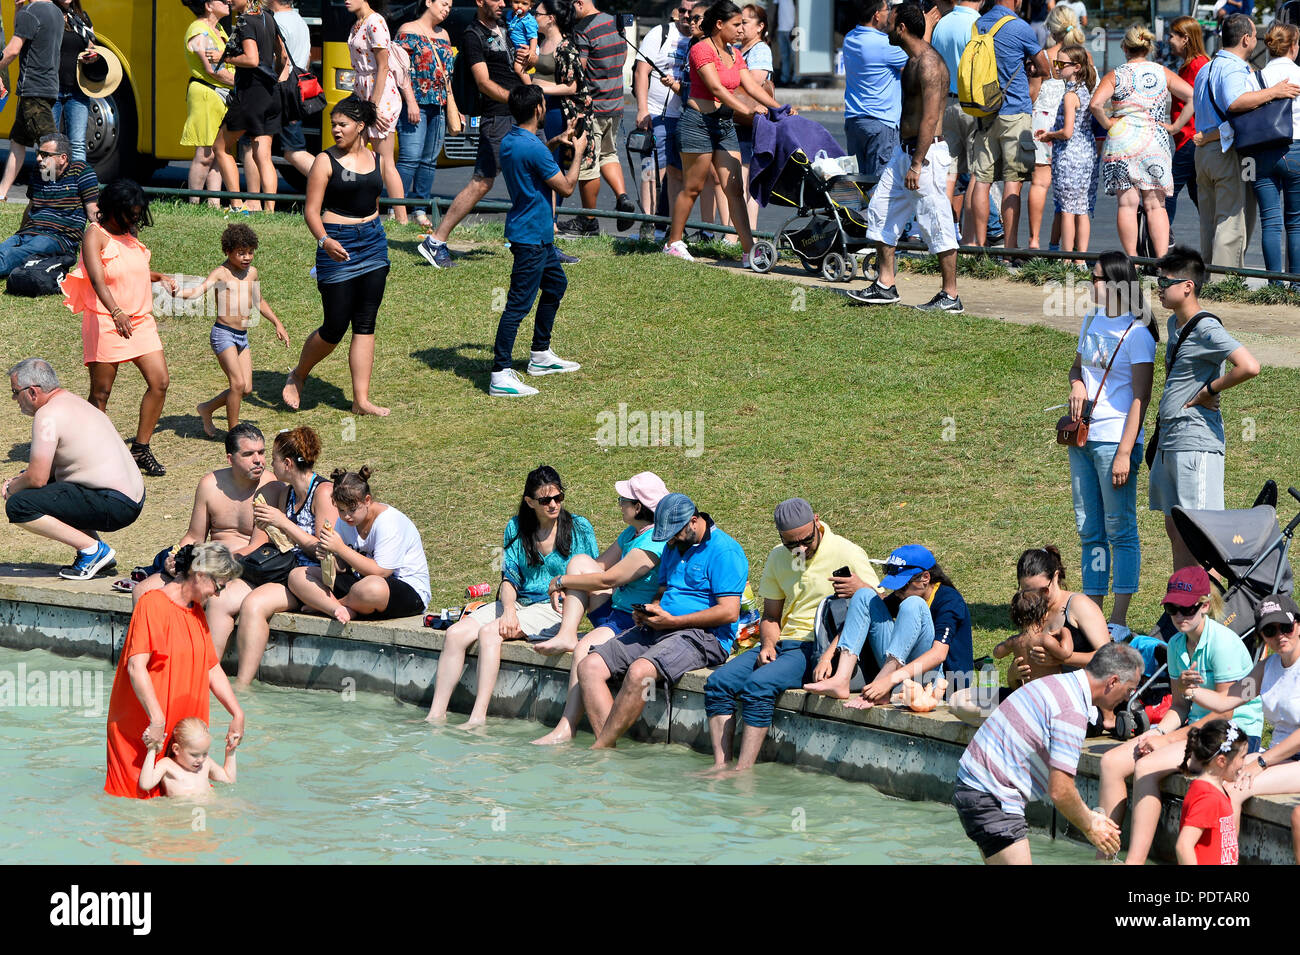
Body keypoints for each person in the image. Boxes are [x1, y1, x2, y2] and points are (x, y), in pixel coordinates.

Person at [1097, 566, 1263, 866]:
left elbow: (1224, 713)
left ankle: (1133, 862)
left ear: (1204, 605)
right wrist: (1157, 733)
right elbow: (1180, 706)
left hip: (1233, 737)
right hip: (1197, 731)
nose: (1179, 615)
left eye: (1186, 608)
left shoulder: (1222, 644)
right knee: (1110, 763)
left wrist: (1169, 739)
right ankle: (1103, 857)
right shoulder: (1176, 644)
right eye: (1172, 608)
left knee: (1146, 767)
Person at [702, 497, 878, 773]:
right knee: (718, 683)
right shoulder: (777, 556)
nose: (800, 549)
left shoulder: (847, 552)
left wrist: (861, 586)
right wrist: (767, 644)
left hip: (815, 648)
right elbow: (771, 614)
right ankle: (720, 765)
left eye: (806, 540)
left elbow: (879, 607)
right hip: (782, 643)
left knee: (758, 686)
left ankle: (743, 771)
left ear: (817, 521)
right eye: (791, 544)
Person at [427, 465, 597, 726]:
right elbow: (510, 579)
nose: (553, 504)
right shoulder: (516, 527)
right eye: (545, 500)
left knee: (489, 633)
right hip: (518, 601)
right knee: (455, 634)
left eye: (558, 497)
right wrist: (508, 610)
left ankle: (478, 716)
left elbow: (591, 574)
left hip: (553, 607)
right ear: (530, 502)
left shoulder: (579, 527)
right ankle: (435, 715)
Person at [579, 492, 747, 749]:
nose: (670, 540)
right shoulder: (673, 545)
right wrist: (649, 611)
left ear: (693, 521)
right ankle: (607, 752)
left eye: (675, 533)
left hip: (704, 636)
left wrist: (674, 622)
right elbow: (662, 592)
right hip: (662, 626)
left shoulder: (725, 552)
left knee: (639, 672)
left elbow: (729, 612)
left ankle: (599, 750)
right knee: (589, 666)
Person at [952, 640, 1142, 864]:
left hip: (975, 786)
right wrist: (1091, 826)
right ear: (1112, 682)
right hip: (991, 798)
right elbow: (1060, 791)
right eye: (1129, 690)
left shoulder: (1059, 684)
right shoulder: (1071, 710)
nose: (1127, 699)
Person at [531, 471, 669, 745]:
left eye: (623, 500)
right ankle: (568, 633)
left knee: (585, 650)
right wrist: (570, 582)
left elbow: (610, 579)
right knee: (580, 562)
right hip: (615, 610)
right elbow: (599, 565)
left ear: (638, 507)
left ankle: (567, 727)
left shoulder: (653, 542)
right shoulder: (632, 532)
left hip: (632, 622)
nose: (619, 504)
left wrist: (560, 581)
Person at [104, 542, 246, 799]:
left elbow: (211, 666)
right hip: (145, 728)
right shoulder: (152, 605)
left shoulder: (196, 611)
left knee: (185, 807)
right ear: (201, 574)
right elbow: (136, 667)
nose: (218, 594)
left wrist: (236, 712)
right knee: (136, 809)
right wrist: (157, 720)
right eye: (219, 585)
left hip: (182, 730)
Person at [847, 3, 961, 313]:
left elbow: (929, 118)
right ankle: (886, 285)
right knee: (881, 209)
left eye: (889, 21)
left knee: (936, 224)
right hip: (905, 153)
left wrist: (916, 162)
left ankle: (950, 296)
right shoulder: (912, 60)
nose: (883, 24)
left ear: (901, 29)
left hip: (925, 156)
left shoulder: (929, 64)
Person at [1150, 246, 1259, 570]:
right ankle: (1182, 605)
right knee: (1176, 529)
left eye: (1165, 282)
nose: (1159, 288)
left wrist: (1210, 389)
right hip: (1170, 438)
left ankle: (1201, 614)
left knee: (1200, 532)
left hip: (1195, 441)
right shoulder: (1174, 324)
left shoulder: (1206, 328)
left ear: (1188, 286)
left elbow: (1249, 366)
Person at [284, 96, 393, 417]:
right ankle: (298, 374)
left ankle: (361, 399)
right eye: (333, 124)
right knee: (334, 325)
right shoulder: (324, 161)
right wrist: (324, 240)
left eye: (342, 124)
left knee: (365, 322)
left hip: (373, 244)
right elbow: (311, 211)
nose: (335, 130)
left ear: (360, 126)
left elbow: (373, 201)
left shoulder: (375, 159)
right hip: (337, 244)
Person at [1065, 251, 1156, 634]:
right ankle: (1094, 610)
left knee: (1120, 528)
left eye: (1098, 277)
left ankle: (1118, 619)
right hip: (1083, 438)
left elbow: (1141, 397)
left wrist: (1124, 452)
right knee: (1090, 528)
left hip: (1114, 441)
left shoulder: (1137, 333)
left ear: (1119, 282)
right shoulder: (1091, 319)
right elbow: (1077, 366)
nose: (1092, 283)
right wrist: (1077, 383)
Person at [60, 179, 177, 477]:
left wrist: (158, 275)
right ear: (113, 210)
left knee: (159, 382)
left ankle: (140, 448)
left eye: (138, 213)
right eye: (131, 213)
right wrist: (116, 312)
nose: (135, 218)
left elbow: (129, 268)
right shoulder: (94, 236)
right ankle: (89, 452)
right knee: (101, 393)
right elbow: (99, 278)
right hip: (105, 319)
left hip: (140, 320)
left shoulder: (130, 234)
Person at [661, 0, 788, 265]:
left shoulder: (735, 53)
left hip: (724, 126)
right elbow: (717, 89)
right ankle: (673, 242)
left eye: (743, 23)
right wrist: (747, 111)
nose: (741, 29)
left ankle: (748, 250)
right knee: (693, 187)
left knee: (734, 188)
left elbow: (752, 88)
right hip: (697, 124)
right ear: (719, 25)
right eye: (736, 24)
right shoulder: (700, 50)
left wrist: (781, 109)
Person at [4, 358, 144, 580]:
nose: (13, 398)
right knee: (39, 488)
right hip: (128, 498)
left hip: (113, 502)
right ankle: (93, 550)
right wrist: (22, 479)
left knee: (19, 505)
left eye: (14, 391)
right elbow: (51, 471)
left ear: (32, 392)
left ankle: (93, 550)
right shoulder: (73, 402)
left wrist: (12, 488)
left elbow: (38, 478)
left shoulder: (47, 415)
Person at [487, 85, 587, 397]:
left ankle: (540, 356)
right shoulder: (534, 149)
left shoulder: (512, 140)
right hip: (531, 238)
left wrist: (557, 141)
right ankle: (500, 374)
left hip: (534, 235)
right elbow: (568, 188)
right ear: (539, 110)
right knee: (517, 304)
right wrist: (579, 152)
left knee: (556, 285)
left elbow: (533, 156)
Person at [1185, 593, 1300, 864]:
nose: (1280, 635)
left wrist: (1260, 762)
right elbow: (1228, 700)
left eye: (1286, 627)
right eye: (1270, 630)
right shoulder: (1266, 669)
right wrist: (1190, 690)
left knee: (1234, 788)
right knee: (1212, 776)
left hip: (1287, 758)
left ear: (1298, 624)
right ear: (1262, 636)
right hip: (1280, 756)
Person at [950, 545, 1112, 726]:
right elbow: (1020, 665)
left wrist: (1062, 658)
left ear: (1056, 576)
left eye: (1043, 590)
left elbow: (1109, 659)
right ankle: (1027, 722)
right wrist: (1012, 676)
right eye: (1028, 592)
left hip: (1071, 696)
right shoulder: (1031, 609)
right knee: (959, 701)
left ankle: (1023, 722)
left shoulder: (1078, 605)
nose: (1037, 597)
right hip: (1034, 694)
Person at [417, 0, 523, 269]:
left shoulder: (507, 26)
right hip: (498, 116)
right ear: (479, 1)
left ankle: (539, 245)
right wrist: (517, 100)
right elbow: (483, 83)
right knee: (483, 181)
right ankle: (436, 240)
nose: (503, 3)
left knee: (532, 176)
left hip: (519, 113)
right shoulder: (472, 34)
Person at [803, 544, 972, 705]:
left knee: (913, 604)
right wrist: (827, 656)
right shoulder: (904, 595)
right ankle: (841, 679)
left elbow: (938, 654)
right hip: (901, 677)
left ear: (925, 578)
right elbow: (863, 616)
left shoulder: (949, 600)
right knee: (864, 596)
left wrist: (888, 681)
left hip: (938, 684)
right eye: (895, 587)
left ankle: (884, 685)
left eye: (902, 586)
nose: (897, 592)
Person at [234, 426, 335, 687]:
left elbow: (326, 550)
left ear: (288, 463)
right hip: (288, 574)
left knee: (254, 604)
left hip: (314, 578)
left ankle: (242, 686)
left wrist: (283, 523)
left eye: (275, 458)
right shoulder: (287, 493)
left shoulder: (323, 492)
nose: (270, 463)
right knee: (243, 601)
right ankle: (234, 683)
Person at [1194, 15, 1297, 268]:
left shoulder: (1206, 68)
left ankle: (1208, 276)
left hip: (1206, 152)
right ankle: (1224, 283)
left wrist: (1208, 135)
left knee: (1210, 221)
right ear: (1246, 39)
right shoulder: (1235, 69)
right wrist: (1274, 92)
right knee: (1232, 223)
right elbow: (1235, 104)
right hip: (1227, 152)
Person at [1091, 26, 1193, 260]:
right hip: (1153, 140)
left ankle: (1132, 260)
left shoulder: (1117, 74)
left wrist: (1109, 125)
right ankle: (1162, 262)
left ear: (1125, 48)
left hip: (1123, 141)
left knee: (1127, 205)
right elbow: (1191, 96)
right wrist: (1175, 127)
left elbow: (1096, 104)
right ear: (1148, 48)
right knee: (1156, 205)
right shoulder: (1162, 72)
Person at [182, 223, 291, 438]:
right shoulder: (221, 274)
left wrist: (277, 323)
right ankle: (234, 434)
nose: (247, 257)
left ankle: (207, 409)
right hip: (223, 334)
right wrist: (178, 292)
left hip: (243, 336)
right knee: (237, 383)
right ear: (228, 251)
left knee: (246, 388)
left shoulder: (252, 274)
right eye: (241, 253)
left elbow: (258, 300)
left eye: (250, 252)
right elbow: (197, 292)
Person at [288, 466, 430, 624]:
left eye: (352, 509)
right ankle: (339, 609)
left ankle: (330, 605)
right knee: (298, 575)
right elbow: (343, 568)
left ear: (367, 500)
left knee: (371, 588)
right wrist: (329, 558)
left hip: (404, 591)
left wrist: (340, 548)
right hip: (359, 586)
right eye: (341, 510)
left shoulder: (388, 521)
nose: (346, 516)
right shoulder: (344, 522)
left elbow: (381, 572)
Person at [968, 0, 1050, 250]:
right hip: (1014, 111)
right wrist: (1028, 66)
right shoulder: (1019, 26)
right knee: (1013, 181)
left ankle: (981, 247)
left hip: (985, 111)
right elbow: (1045, 68)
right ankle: (1009, 249)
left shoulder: (979, 24)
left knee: (982, 180)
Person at [555, 0, 635, 237]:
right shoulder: (614, 22)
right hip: (616, 103)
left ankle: (588, 220)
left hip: (593, 107)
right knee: (609, 154)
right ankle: (623, 198)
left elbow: (577, 71)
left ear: (580, 3)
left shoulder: (583, 30)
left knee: (588, 163)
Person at [931, 0, 998, 243]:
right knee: (975, 173)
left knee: (948, 173)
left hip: (946, 103)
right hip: (973, 104)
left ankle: (942, 235)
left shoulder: (942, 23)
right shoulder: (978, 24)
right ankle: (969, 240)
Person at [212, 0, 288, 213]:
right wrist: (275, 76)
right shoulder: (268, 17)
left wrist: (224, 56)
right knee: (263, 155)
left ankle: (236, 206)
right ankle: (269, 211)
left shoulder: (245, 21)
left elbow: (252, 59)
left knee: (220, 147)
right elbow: (281, 54)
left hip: (250, 95)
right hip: (270, 94)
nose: (228, 0)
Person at [347, 0, 415, 225]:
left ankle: (402, 218)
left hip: (379, 95)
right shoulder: (359, 22)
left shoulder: (375, 21)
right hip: (363, 94)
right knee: (362, 154)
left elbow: (383, 66)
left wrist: (372, 107)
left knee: (384, 160)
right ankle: (369, 213)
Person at [396, 0, 462, 231]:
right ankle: (398, 208)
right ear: (428, 2)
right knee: (410, 157)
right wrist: (411, 101)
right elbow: (400, 70)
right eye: (443, 4)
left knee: (429, 160)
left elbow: (448, 75)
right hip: (415, 104)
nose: (447, 10)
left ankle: (420, 209)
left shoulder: (444, 34)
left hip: (440, 105)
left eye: (450, 7)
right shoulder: (407, 30)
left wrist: (454, 106)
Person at [634, 1, 695, 242]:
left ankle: (673, 225)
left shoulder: (700, 39)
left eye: (691, 12)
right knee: (651, 168)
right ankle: (648, 223)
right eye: (683, 10)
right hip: (656, 113)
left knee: (679, 173)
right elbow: (641, 71)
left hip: (686, 116)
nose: (686, 16)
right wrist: (642, 109)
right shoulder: (660, 33)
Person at [0, 131, 98, 280]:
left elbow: (93, 213)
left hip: (57, 238)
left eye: (45, 155)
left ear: (62, 158)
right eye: (39, 153)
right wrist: (19, 234)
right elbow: (31, 207)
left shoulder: (81, 172)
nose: (38, 158)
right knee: (5, 248)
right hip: (29, 233)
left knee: (13, 254)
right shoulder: (40, 172)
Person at [1026, 4, 1080, 250]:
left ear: (1051, 29)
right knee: (1067, 186)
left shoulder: (1044, 57)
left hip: (1043, 122)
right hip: (1070, 122)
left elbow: (1032, 94)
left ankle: (1034, 240)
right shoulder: (1082, 57)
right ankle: (1059, 243)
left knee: (1040, 182)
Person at [1035, 43, 1095, 262]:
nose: (1057, 67)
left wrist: (1050, 135)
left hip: (1070, 156)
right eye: (1056, 63)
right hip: (1085, 154)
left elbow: (1068, 132)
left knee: (1068, 209)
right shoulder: (1084, 90)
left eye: (1062, 64)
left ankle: (1066, 258)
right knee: (1081, 208)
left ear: (1076, 67)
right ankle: (1080, 259)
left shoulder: (1070, 95)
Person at [0, 0, 64, 201]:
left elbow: (12, 49)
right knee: (18, 143)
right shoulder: (56, 12)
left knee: (49, 145)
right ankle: (1, 192)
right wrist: (19, 10)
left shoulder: (31, 12)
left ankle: (50, 194)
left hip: (33, 90)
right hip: (50, 87)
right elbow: (28, 33)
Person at [842, 0, 909, 190]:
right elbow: (916, 55)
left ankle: (861, 219)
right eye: (887, 9)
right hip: (881, 123)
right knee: (882, 187)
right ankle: (875, 221)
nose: (889, 13)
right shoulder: (884, 45)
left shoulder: (850, 38)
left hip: (854, 121)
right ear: (876, 15)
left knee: (861, 186)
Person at [1253, 23, 1300, 280]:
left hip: (1262, 153)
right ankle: (1297, 285)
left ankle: (1274, 284)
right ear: (1293, 46)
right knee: (1296, 222)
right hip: (1296, 148)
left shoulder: (1256, 77)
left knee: (1270, 222)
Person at [181, 0, 237, 206]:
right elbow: (212, 69)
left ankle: (214, 204)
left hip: (220, 95)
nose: (228, 2)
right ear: (208, 5)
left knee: (217, 153)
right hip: (207, 94)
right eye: (222, 0)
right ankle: (193, 203)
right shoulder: (198, 31)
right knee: (205, 153)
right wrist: (241, 83)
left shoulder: (219, 28)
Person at [1174, 719, 1246, 865]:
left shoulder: (1214, 790)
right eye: (1242, 757)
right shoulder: (1209, 797)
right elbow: (1183, 846)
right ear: (1221, 761)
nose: (1244, 763)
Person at [1165, 17, 1208, 235]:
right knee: (1198, 195)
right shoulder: (1191, 65)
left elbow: (1193, 101)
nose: (1169, 40)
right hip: (1190, 139)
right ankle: (1214, 240)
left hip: (1190, 138)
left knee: (1168, 192)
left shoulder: (1196, 65)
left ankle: (1161, 240)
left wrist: (1174, 126)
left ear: (1185, 38)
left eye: (1173, 35)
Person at [735, 4, 772, 231]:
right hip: (739, 119)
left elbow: (755, 83)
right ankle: (738, 235)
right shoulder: (740, 49)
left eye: (744, 22)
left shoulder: (760, 50)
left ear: (760, 27)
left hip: (750, 122)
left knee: (746, 182)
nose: (740, 27)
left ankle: (749, 236)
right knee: (736, 181)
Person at [270, 0, 315, 179]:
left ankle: (333, 184)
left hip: (282, 89)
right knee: (290, 147)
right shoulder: (300, 20)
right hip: (296, 88)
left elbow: (281, 55)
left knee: (290, 149)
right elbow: (308, 56)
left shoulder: (276, 21)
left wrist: (275, 76)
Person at [140, 716, 237, 797]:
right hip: (182, 816)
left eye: (205, 753)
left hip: (207, 813)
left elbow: (229, 780)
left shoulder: (206, 763)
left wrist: (230, 751)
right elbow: (145, 784)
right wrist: (152, 748)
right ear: (176, 749)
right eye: (194, 755)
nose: (200, 759)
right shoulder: (168, 765)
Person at [993, 587, 1072, 684]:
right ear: (1044, 615)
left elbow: (997, 653)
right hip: (1050, 691)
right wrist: (1065, 631)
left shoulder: (1014, 641)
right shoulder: (1044, 640)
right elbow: (1066, 653)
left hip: (1029, 692)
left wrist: (1008, 643)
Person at [52, 0, 96, 164]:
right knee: (50, 145)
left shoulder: (82, 19)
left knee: (77, 144)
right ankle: (49, 185)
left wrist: (92, 56)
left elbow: (92, 46)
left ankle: (78, 187)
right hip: (51, 88)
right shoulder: (49, 15)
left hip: (77, 91)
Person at [506, 0, 538, 80]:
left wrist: (532, 51)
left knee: (518, 68)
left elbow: (533, 37)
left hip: (528, 49)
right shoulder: (509, 14)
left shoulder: (528, 20)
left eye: (524, 3)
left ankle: (529, 87)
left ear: (530, 6)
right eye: (516, 2)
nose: (520, 6)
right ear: (511, 2)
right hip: (517, 49)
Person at [775, 0, 797, 86]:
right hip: (781, 28)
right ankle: (785, 78)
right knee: (784, 56)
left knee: (794, 55)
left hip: (792, 29)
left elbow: (798, 8)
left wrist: (795, 26)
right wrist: (774, 28)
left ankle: (796, 79)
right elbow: (776, 10)